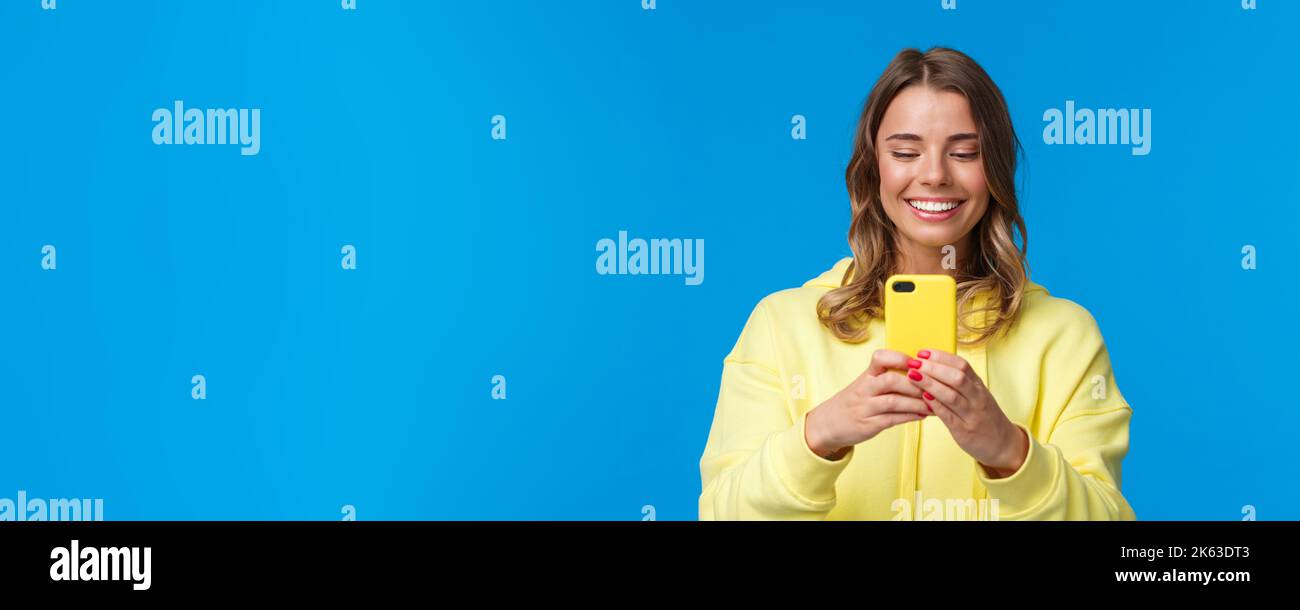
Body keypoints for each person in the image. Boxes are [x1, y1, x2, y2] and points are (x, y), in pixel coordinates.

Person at [698, 47, 1136, 520]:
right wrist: (817, 437)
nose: (934, 176)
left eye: (965, 153)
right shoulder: (780, 324)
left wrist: (1010, 452)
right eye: (906, 152)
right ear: (873, 166)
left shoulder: (1064, 334)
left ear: (996, 170)